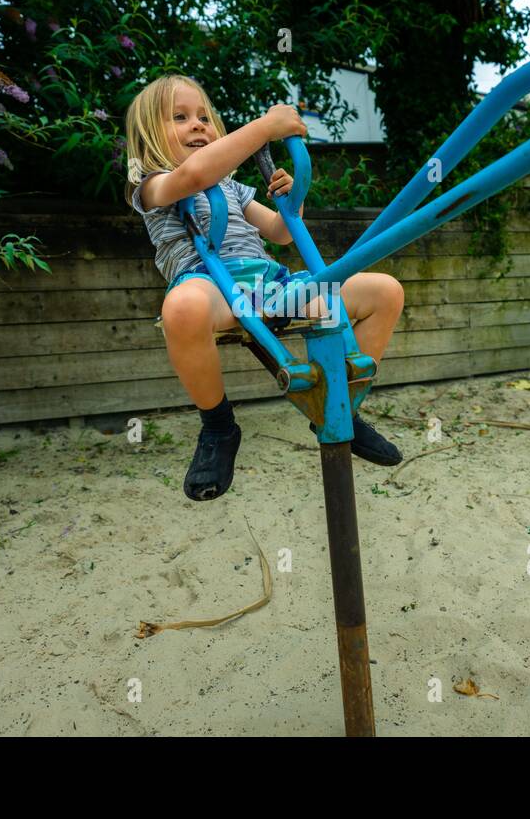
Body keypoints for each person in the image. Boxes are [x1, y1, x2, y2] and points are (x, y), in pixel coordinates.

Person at [124, 74, 405, 500]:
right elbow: (195, 174)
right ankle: (218, 428)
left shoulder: (233, 188)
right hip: (211, 289)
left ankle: (342, 405)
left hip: (270, 286)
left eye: (203, 116)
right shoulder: (151, 185)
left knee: (384, 290)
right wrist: (266, 128)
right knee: (181, 309)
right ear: (148, 138)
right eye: (180, 118)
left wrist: (293, 201)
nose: (198, 124)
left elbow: (280, 233)